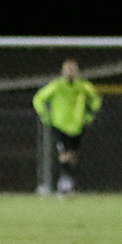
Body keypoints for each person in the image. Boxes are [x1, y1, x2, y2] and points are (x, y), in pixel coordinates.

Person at [33, 59, 102, 196]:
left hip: (77, 125)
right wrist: (45, 114)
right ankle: (64, 183)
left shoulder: (83, 86)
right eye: (67, 69)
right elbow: (39, 98)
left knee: (71, 155)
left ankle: (67, 182)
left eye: (73, 69)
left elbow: (95, 100)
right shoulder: (57, 86)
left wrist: (90, 113)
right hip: (60, 124)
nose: (70, 72)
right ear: (63, 71)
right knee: (64, 154)